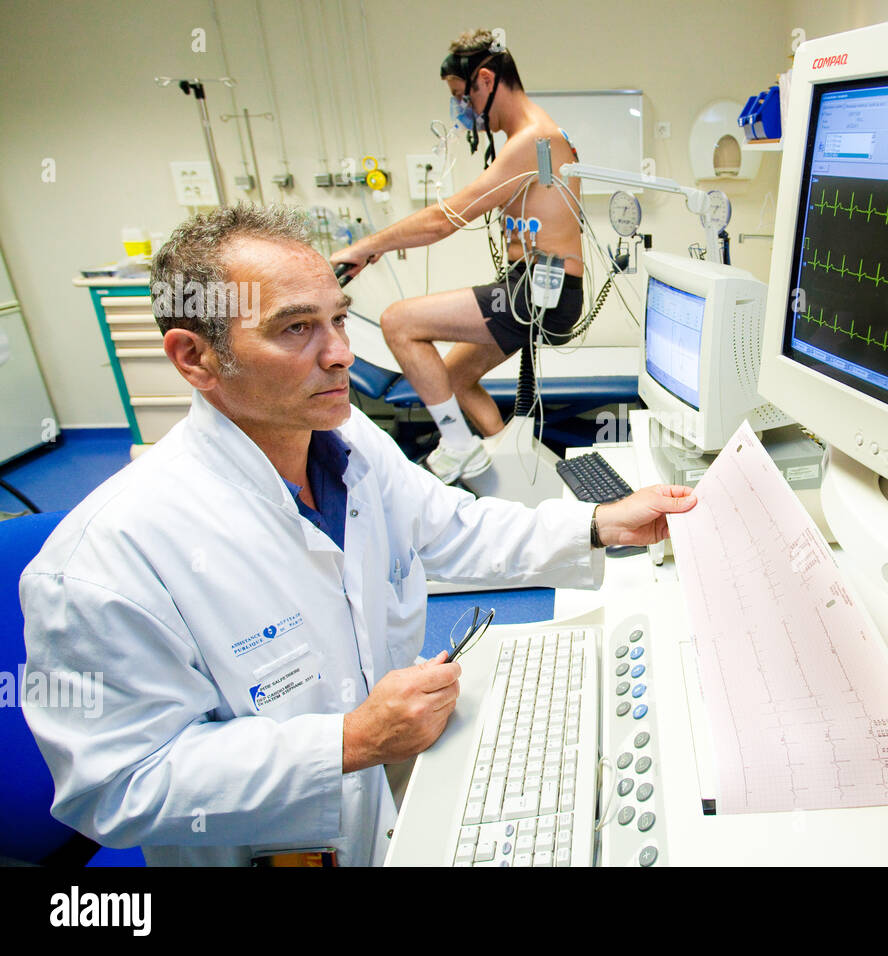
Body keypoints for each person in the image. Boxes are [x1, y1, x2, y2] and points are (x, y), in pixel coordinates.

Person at [19, 204, 694, 866]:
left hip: (391, 798)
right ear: (195, 358)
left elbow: (449, 525)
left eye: (338, 319)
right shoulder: (105, 562)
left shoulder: (346, 440)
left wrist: (600, 522)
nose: (341, 354)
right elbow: (116, 788)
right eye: (296, 330)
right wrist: (349, 741)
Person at [332, 28, 585, 484]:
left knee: (398, 322)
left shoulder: (534, 138)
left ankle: (460, 446)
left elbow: (443, 220)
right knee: (452, 377)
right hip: (533, 286)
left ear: (485, 80)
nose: (460, 109)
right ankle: (508, 467)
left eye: (459, 95)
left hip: (541, 290)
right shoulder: (534, 136)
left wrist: (368, 245)